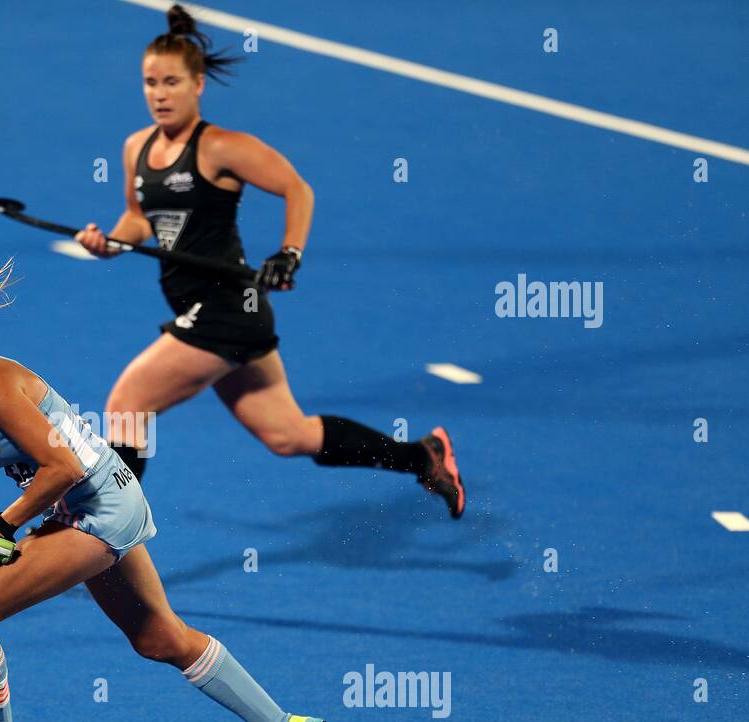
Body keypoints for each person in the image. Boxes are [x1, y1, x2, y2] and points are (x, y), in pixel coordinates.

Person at [0, 262, 328, 722]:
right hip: (78, 507)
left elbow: (60, 467)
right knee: (159, 639)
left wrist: (7, 530)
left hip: (99, 506)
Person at [74, 4, 465, 517]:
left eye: (171, 82)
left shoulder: (220, 147)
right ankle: (423, 457)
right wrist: (109, 243)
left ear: (198, 86)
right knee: (288, 435)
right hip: (209, 311)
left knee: (127, 406)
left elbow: (297, 189)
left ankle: (109, 530)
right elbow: (137, 218)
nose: (159, 94)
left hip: (226, 310)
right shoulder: (135, 148)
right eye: (150, 83)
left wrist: (289, 254)